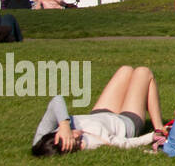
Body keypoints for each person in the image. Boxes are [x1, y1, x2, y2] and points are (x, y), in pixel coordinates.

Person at [31, 65, 166, 156]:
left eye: (72, 135)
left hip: (99, 115)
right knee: (143, 72)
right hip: (125, 123)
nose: (78, 136)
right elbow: (123, 144)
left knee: (126, 70)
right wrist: (151, 137)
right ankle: (160, 128)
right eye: (76, 141)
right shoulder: (91, 143)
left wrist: (64, 125)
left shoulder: (41, 141)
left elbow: (57, 100)